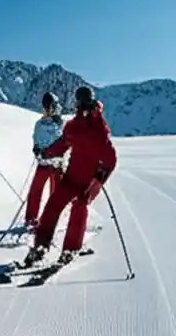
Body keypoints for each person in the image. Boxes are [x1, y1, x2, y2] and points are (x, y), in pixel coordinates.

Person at [20, 86, 116, 268]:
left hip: (88, 180)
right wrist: (46, 152)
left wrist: (100, 177)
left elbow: (110, 158)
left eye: (81, 101)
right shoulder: (74, 125)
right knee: (53, 206)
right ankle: (40, 246)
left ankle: (70, 249)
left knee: (79, 207)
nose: (79, 105)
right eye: (79, 102)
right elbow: (62, 144)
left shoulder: (99, 127)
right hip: (72, 176)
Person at [25, 91, 65, 228]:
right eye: (45, 107)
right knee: (35, 190)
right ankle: (31, 219)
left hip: (57, 164)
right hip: (43, 163)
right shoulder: (39, 124)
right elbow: (36, 139)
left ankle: (49, 219)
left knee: (55, 193)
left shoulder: (61, 124)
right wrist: (36, 148)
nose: (47, 110)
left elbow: (66, 143)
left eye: (49, 107)